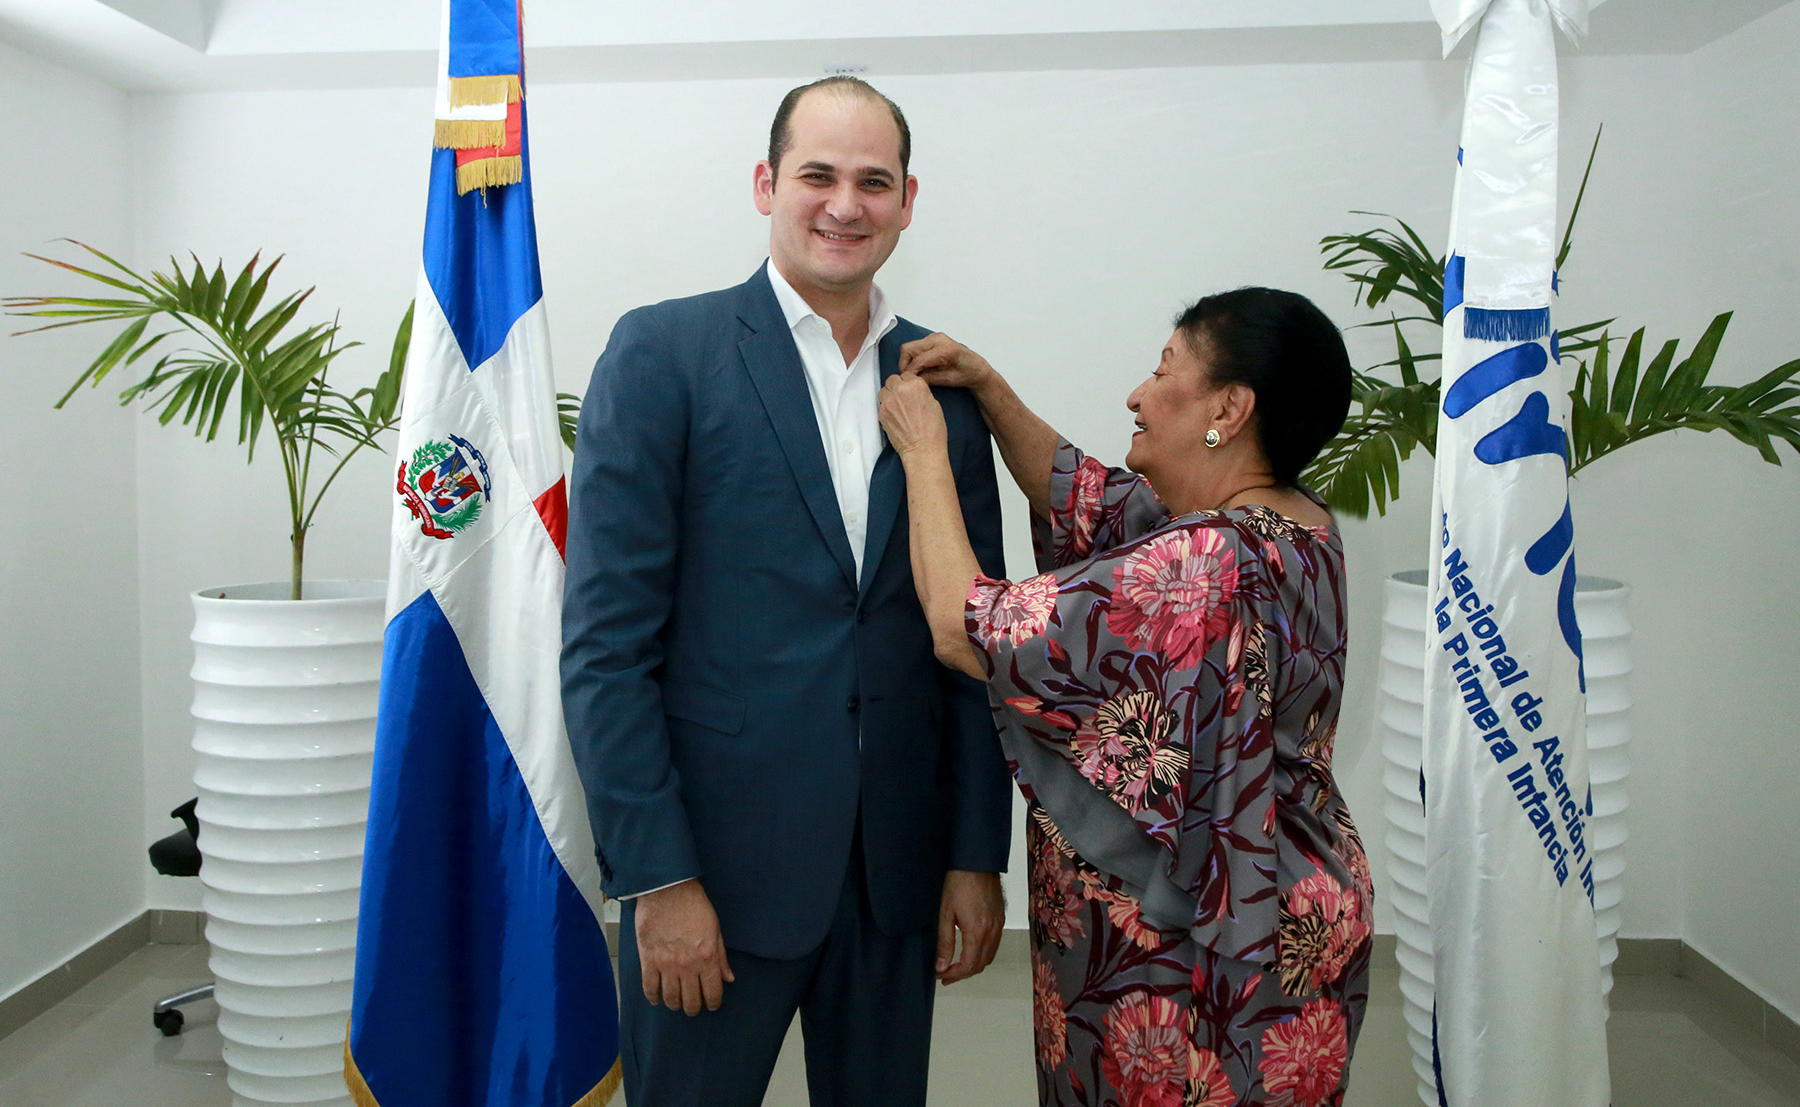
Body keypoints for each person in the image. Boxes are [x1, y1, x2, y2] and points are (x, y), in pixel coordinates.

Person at [560, 76, 1013, 1107]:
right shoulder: (662, 353)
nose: (843, 204)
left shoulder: (944, 385)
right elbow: (605, 648)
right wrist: (659, 881)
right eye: (817, 174)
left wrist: (972, 855)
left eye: (873, 180)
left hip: (893, 881)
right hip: (713, 877)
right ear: (767, 184)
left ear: (907, 201)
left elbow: (973, 640)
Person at [877, 287, 1373, 1107]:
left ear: (1229, 406)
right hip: (1301, 919)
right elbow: (1104, 506)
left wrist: (925, 454)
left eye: (1163, 368)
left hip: (1189, 972)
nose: (1138, 394)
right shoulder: (1297, 527)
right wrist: (993, 394)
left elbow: (965, 627)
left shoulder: (1208, 558)